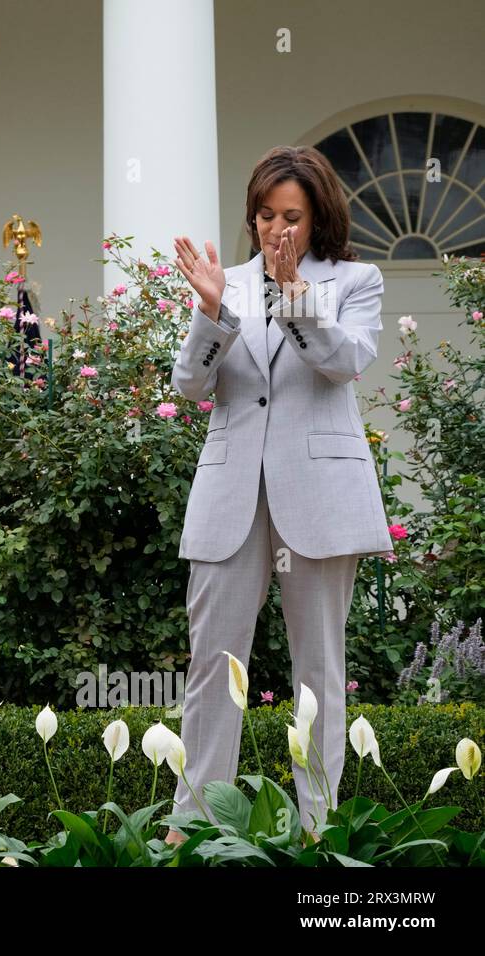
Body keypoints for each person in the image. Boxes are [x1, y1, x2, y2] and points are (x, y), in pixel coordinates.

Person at [165, 145, 393, 841]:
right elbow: (189, 387)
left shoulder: (355, 279)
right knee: (213, 662)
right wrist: (211, 313)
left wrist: (293, 295)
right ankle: (193, 823)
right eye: (264, 215)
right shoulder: (223, 282)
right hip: (231, 496)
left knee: (318, 669)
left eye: (290, 216)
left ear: (317, 215)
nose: (275, 230)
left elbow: (342, 362)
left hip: (319, 496)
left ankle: (318, 828)